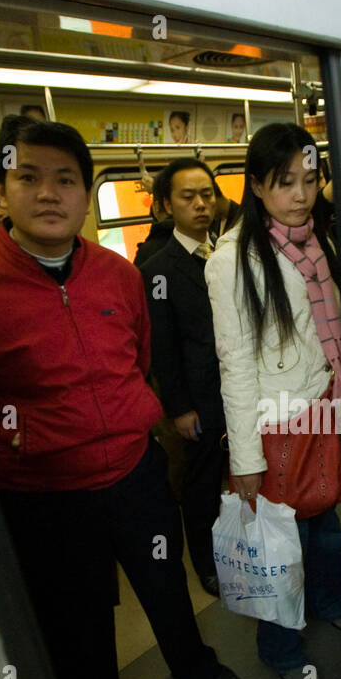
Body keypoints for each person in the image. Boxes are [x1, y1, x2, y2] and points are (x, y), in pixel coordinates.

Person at [0, 115, 248, 679]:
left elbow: (136, 358)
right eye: (29, 178)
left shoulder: (117, 274)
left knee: (165, 583)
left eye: (66, 180)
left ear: (84, 192)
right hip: (47, 498)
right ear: (3, 188)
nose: (49, 194)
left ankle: (193, 665)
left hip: (134, 473)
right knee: (79, 628)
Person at [206, 122, 341, 679]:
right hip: (271, 424)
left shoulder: (317, 242)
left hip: (319, 404)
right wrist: (245, 458)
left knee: (325, 524)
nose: (301, 195)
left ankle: (326, 601)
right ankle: (281, 648)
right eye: (284, 182)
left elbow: (332, 331)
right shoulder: (233, 260)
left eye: (310, 179)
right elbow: (236, 363)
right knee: (277, 541)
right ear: (255, 186)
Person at [139, 158, 226, 596]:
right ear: (167, 205)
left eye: (207, 194)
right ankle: (206, 563)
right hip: (200, 399)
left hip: (240, 391)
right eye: (187, 196)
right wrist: (179, 408)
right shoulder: (158, 271)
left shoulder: (228, 255)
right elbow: (162, 349)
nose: (200, 204)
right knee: (202, 485)